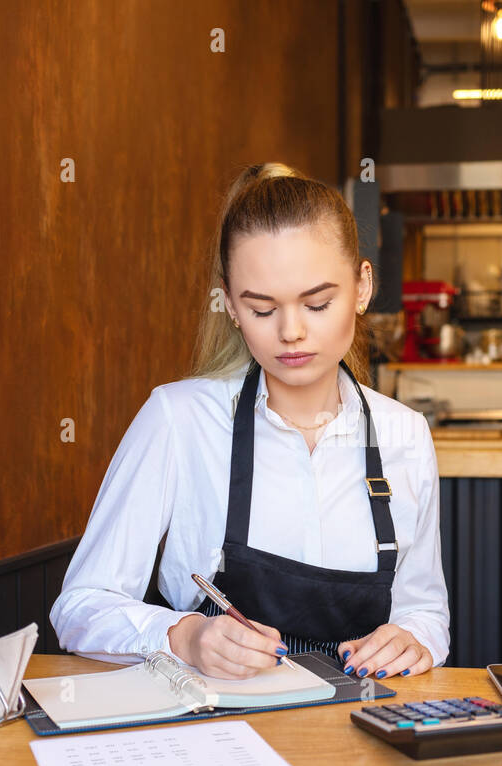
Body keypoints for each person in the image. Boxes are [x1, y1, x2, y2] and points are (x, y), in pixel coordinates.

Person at [49, 162, 450, 681]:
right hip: (215, 735)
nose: (291, 332)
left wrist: (414, 638)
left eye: (319, 303)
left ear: (363, 286)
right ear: (231, 306)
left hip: (357, 734)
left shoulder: (406, 435)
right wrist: (184, 637)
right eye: (261, 308)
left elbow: (425, 610)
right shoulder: (178, 420)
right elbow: (79, 607)